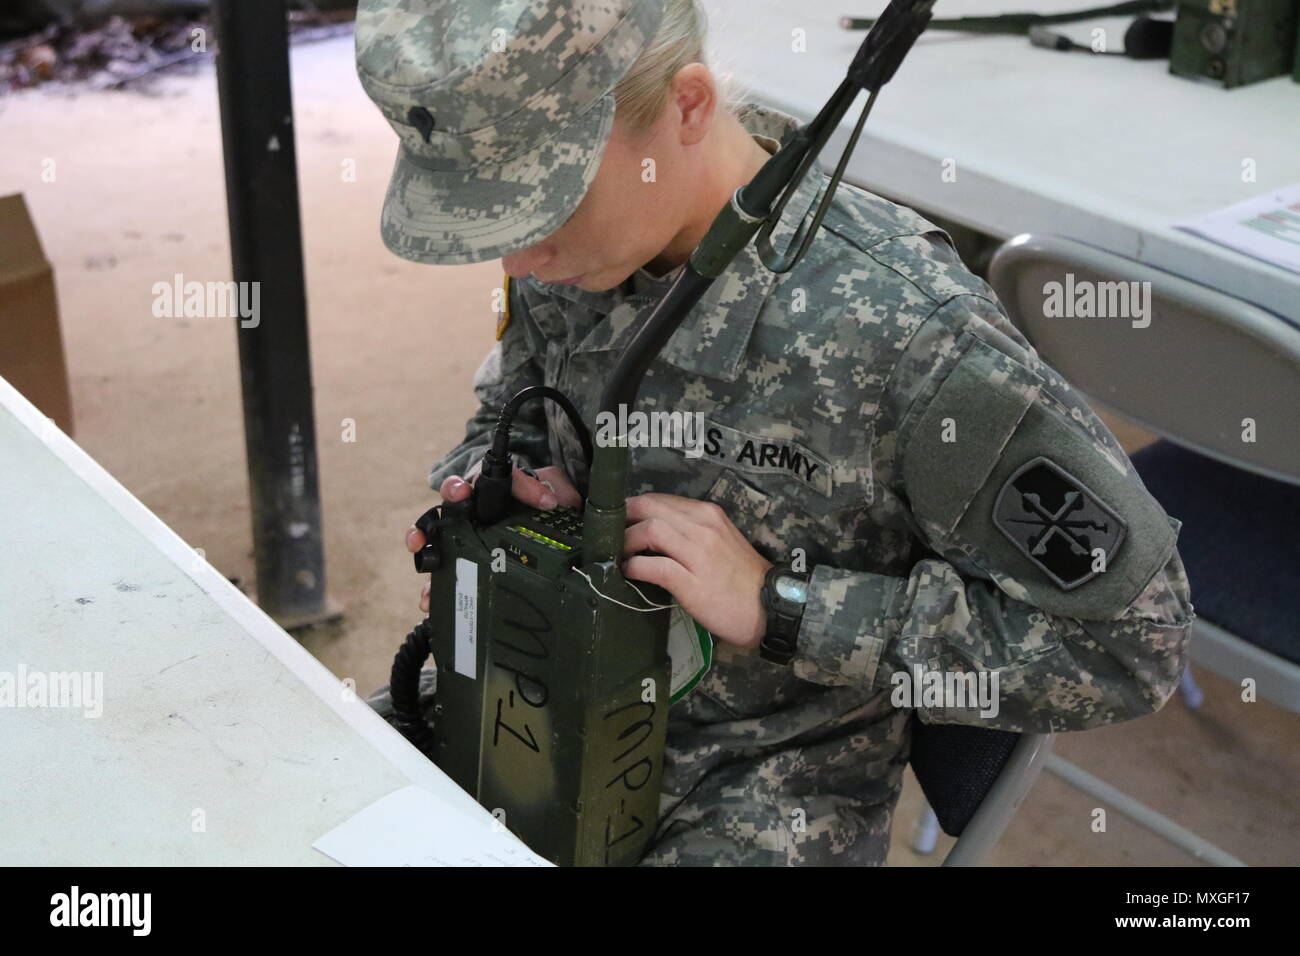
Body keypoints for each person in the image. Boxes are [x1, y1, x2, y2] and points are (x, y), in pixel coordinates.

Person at [356, 0, 1194, 865]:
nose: (519, 262)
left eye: (545, 205)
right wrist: (499, 484)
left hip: (756, 783)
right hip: (533, 692)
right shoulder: (585, 247)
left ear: (686, 105)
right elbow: (508, 404)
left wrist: (783, 606)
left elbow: (1129, 647)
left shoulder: (911, 336)